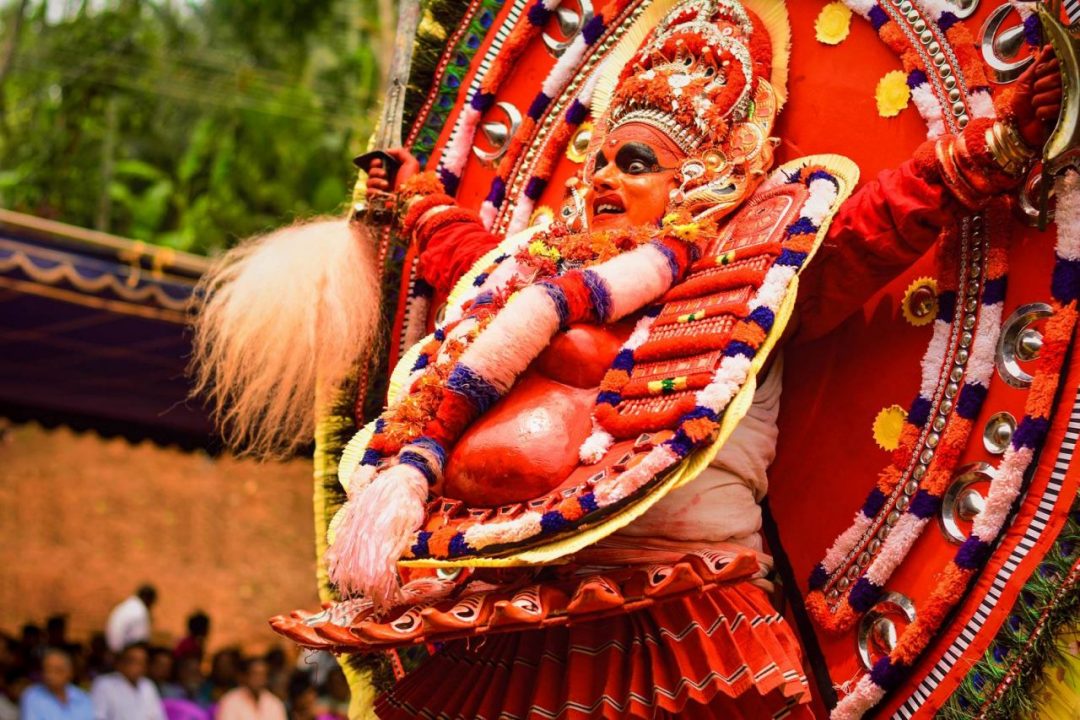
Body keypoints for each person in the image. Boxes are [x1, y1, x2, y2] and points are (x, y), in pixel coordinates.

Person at [195, 1, 1064, 717]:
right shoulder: (528, 282)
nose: (603, 177)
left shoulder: (752, 278)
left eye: (636, 161)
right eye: (600, 159)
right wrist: (417, 202)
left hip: (684, 624)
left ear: (697, 181)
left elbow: (878, 228)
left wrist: (996, 146)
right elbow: (467, 264)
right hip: (512, 626)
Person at [90, 644, 164, 720]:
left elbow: (158, 717)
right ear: (121, 663)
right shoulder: (104, 684)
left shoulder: (148, 685)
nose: (138, 667)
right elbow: (98, 716)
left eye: (142, 663)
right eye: (134, 661)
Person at [19, 649, 93, 720]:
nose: (50, 675)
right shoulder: (33, 696)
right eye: (47, 670)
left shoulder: (82, 697)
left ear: (69, 672)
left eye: (57, 671)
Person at [214, 659, 286, 720]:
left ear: (266, 678)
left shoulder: (275, 704)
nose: (258, 679)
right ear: (246, 676)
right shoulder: (230, 701)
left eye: (262, 675)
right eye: (255, 674)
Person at [104, 587, 156, 654]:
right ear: (148, 599)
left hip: (112, 649)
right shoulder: (140, 610)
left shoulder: (126, 606)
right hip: (124, 653)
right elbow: (140, 641)